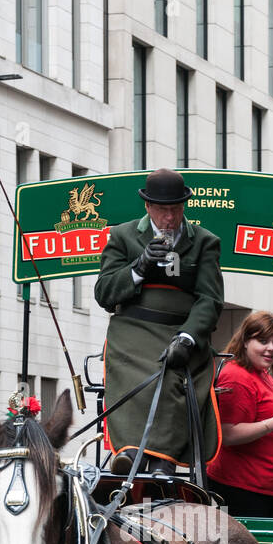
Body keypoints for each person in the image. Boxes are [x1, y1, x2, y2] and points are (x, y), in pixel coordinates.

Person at [94, 168, 225, 475]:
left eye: (176, 210)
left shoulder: (205, 242)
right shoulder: (123, 236)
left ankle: (160, 463)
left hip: (179, 332)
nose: (170, 218)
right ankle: (130, 454)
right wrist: (140, 266)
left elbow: (210, 299)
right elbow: (104, 293)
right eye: (164, 211)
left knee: (168, 379)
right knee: (134, 380)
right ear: (148, 207)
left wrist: (187, 337)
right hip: (132, 333)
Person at [206, 312, 273, 517]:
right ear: (246, 341)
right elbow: (227, 434)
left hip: (263, 489)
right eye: (262, 340)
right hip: (240, 487)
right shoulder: (236, 376)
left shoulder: (261, 372)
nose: (271, 348)